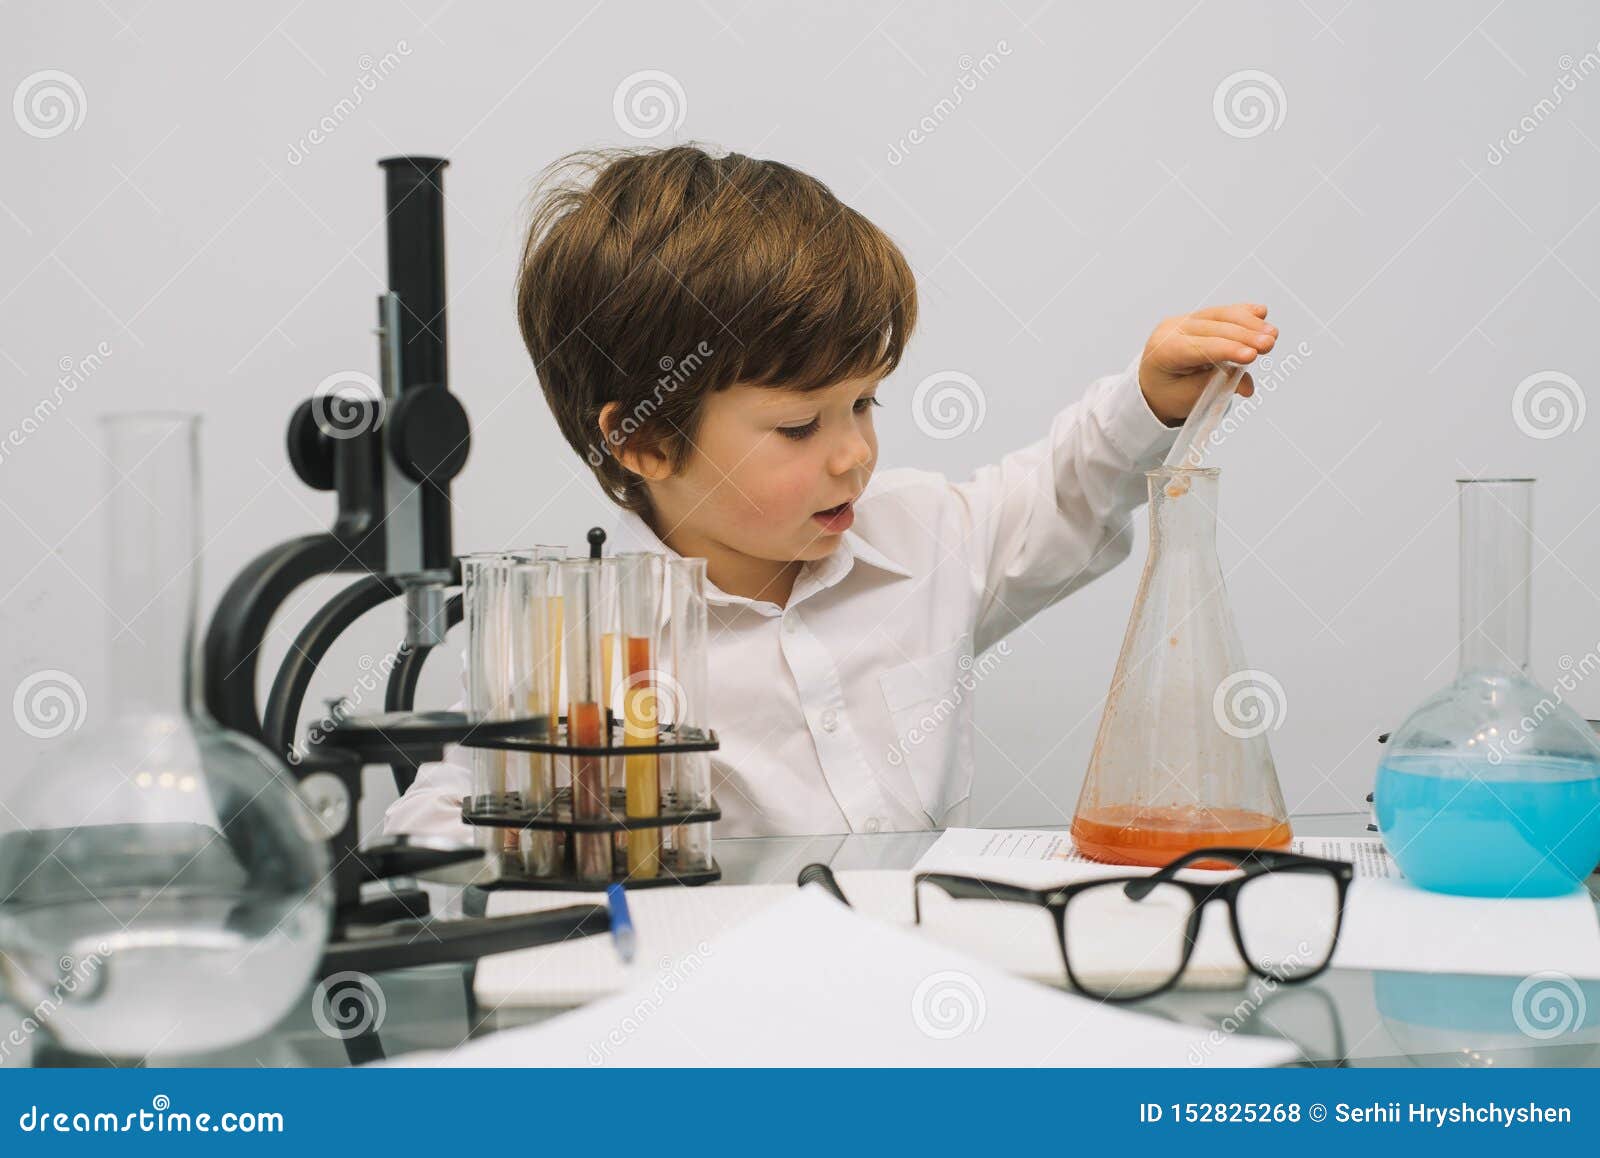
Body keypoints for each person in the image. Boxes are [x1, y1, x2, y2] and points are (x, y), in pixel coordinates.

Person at [384, 144, 1276, 841]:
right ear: (645, 439)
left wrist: (1151, 397)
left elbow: (1064, 489)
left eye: (864, 403)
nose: (854, 455)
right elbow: (440, 813)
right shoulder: (575, 646)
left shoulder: (923, 539)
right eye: (799, 426)